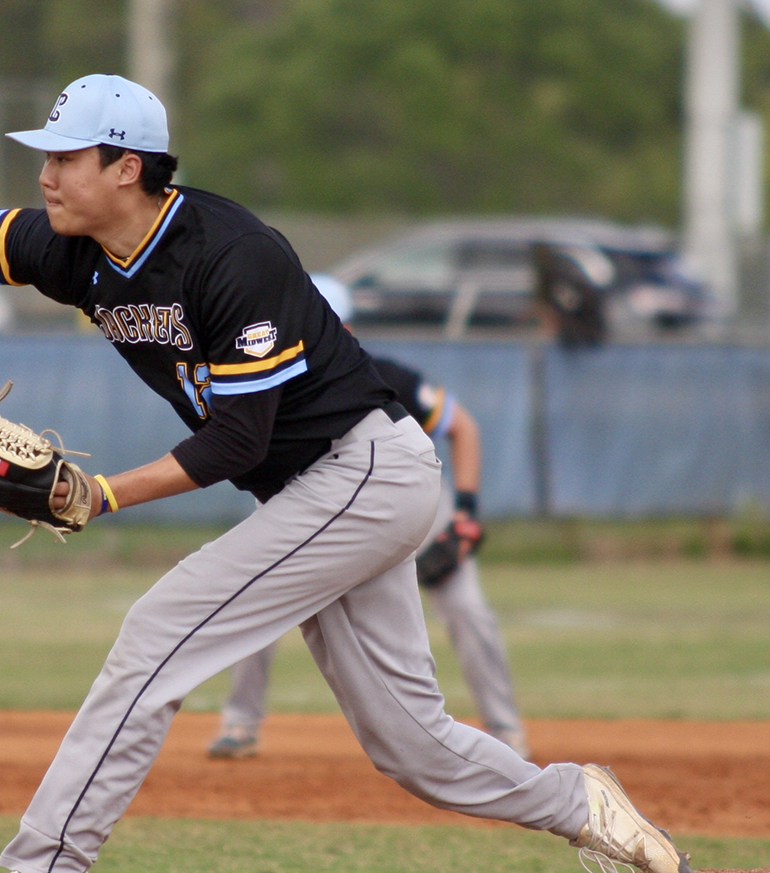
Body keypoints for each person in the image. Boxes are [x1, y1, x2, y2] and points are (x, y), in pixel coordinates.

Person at [0, 74, 697, 873]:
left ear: (127, 167)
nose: (46, 176)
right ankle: (581, 802)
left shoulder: (235, 256)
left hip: (364, 473)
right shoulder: (72, 249)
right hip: (320, 489)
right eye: (45, 158)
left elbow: (237, 440)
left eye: (65, 157)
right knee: (412, 746)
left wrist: (99, 495)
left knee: (159, 630)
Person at [208, 277, 530, 761]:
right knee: (261, 597)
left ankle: (506, 731)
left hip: (408, 498)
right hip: (314, 504)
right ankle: (240, 722)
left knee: (467, 609)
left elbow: (463, 428)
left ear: (346, 328)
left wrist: (466, 513)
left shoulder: (385, 376)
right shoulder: (269, 384)